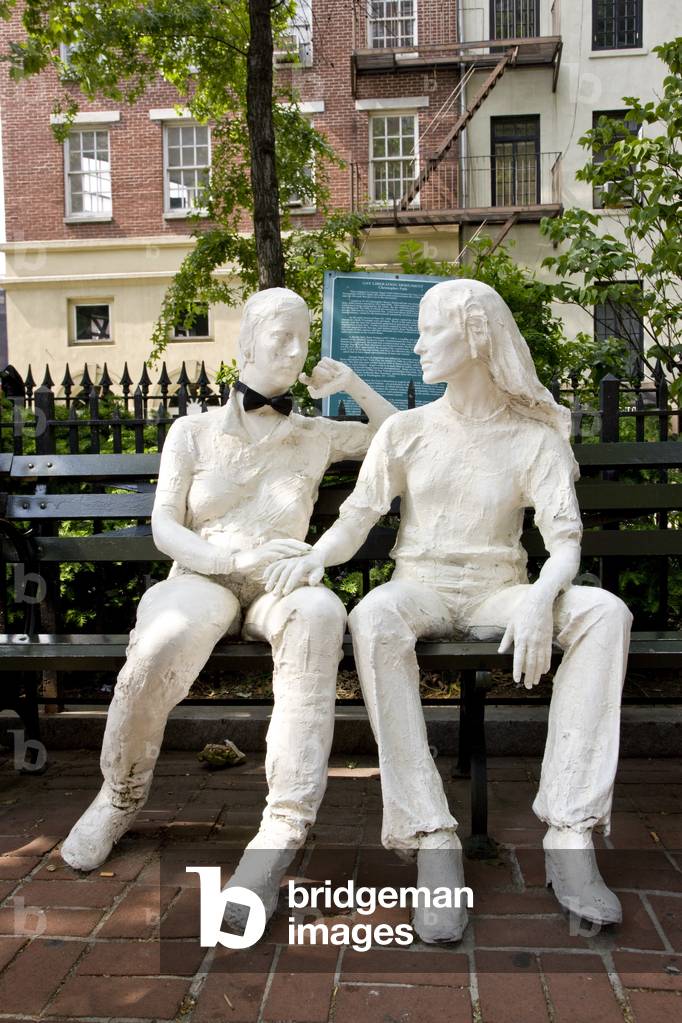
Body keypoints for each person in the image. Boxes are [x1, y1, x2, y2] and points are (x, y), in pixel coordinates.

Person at [264, 279, 633, 942]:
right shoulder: (405, 432)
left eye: (430, 330)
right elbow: (357, 519)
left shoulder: (533, 439)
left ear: (476, 337)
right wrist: (317, 557)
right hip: (423, 586)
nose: (417, 344)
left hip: (501, 588)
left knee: (605, 612)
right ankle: (432, 833)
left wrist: (540, 602)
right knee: (374, 614)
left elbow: (564, 545)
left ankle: (571, 834)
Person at [61, 287, 396, 921]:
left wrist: (350, 381)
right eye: (282, 337)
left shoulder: (316, 433)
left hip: (282, 580)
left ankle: (279, 834)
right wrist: (228, 560)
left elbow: (399, 435)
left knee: (321, 617)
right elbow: (165, 527)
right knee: (162, 641)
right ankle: (118, 795)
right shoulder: (190, 432)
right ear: (245, 343)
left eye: (304, 339)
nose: (296, 352)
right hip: (201, 574)